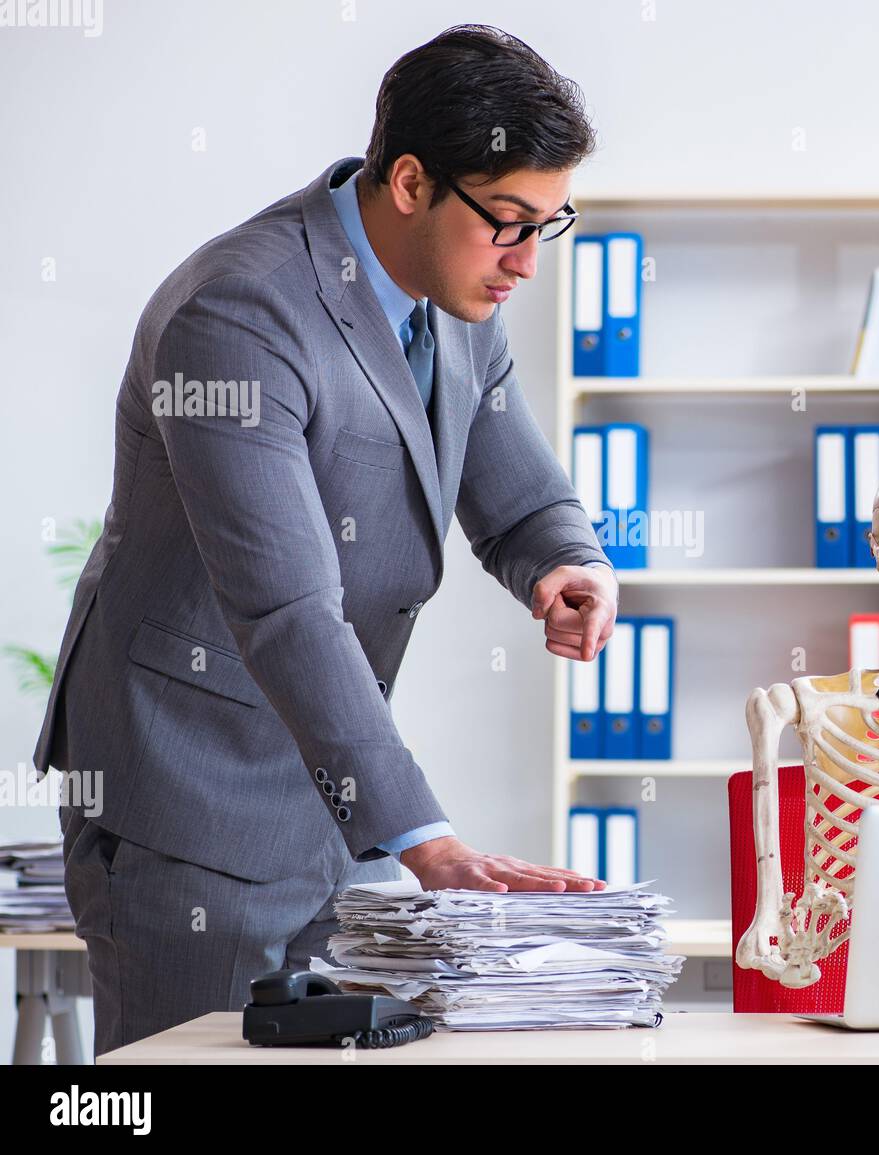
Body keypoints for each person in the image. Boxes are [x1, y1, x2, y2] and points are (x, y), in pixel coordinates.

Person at [32, 24, 618, 1056]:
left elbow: (518, 493)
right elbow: (288, 606)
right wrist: (428, 841)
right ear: (408, 183)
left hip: (332, 813)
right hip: (189, 807)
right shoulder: (239, 312)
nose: (527, 262)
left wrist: (565, 563)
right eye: (510, 224)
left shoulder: (458, 293)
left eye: (550, 223)